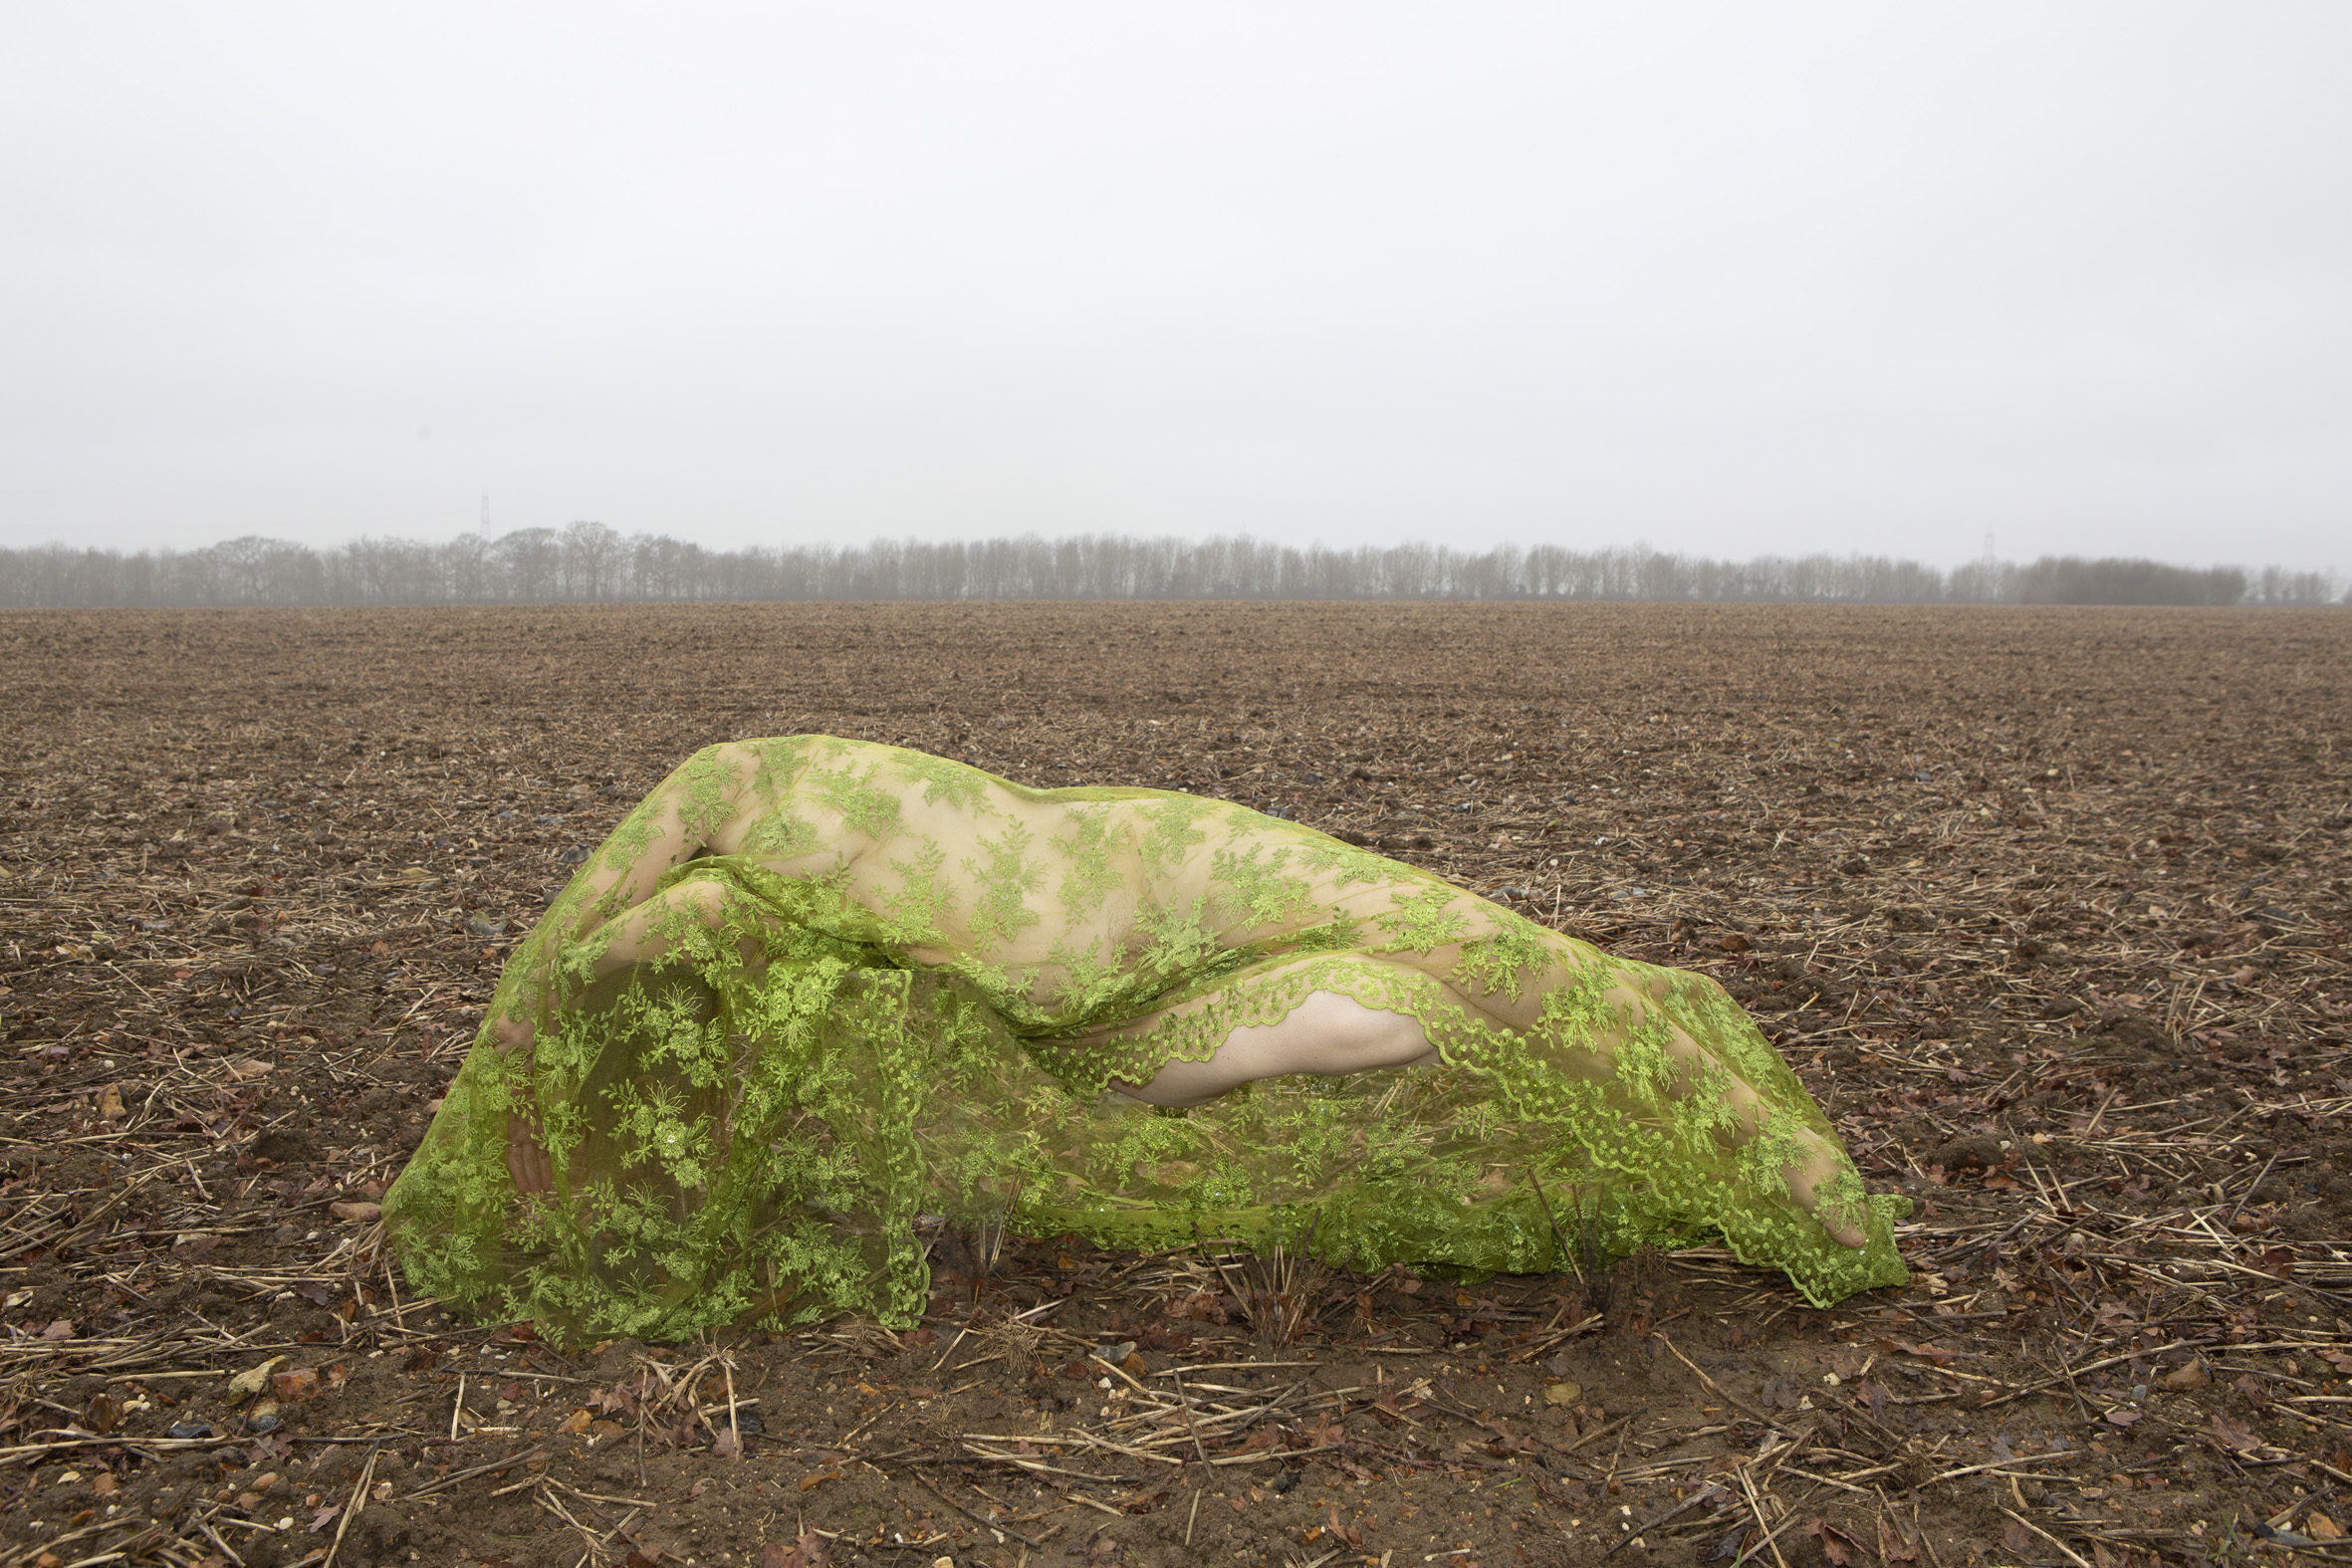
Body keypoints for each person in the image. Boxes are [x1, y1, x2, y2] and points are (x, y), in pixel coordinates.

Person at [384, 736, 1907, 1342]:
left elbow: (599, 951)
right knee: (1408, 1003)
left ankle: (1756, 1162)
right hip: (1122, 931)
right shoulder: (748, 867)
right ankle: (1755, 1163)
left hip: (1144, 908)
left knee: (1442, 992)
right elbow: (603, 965)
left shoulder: (759, 813)